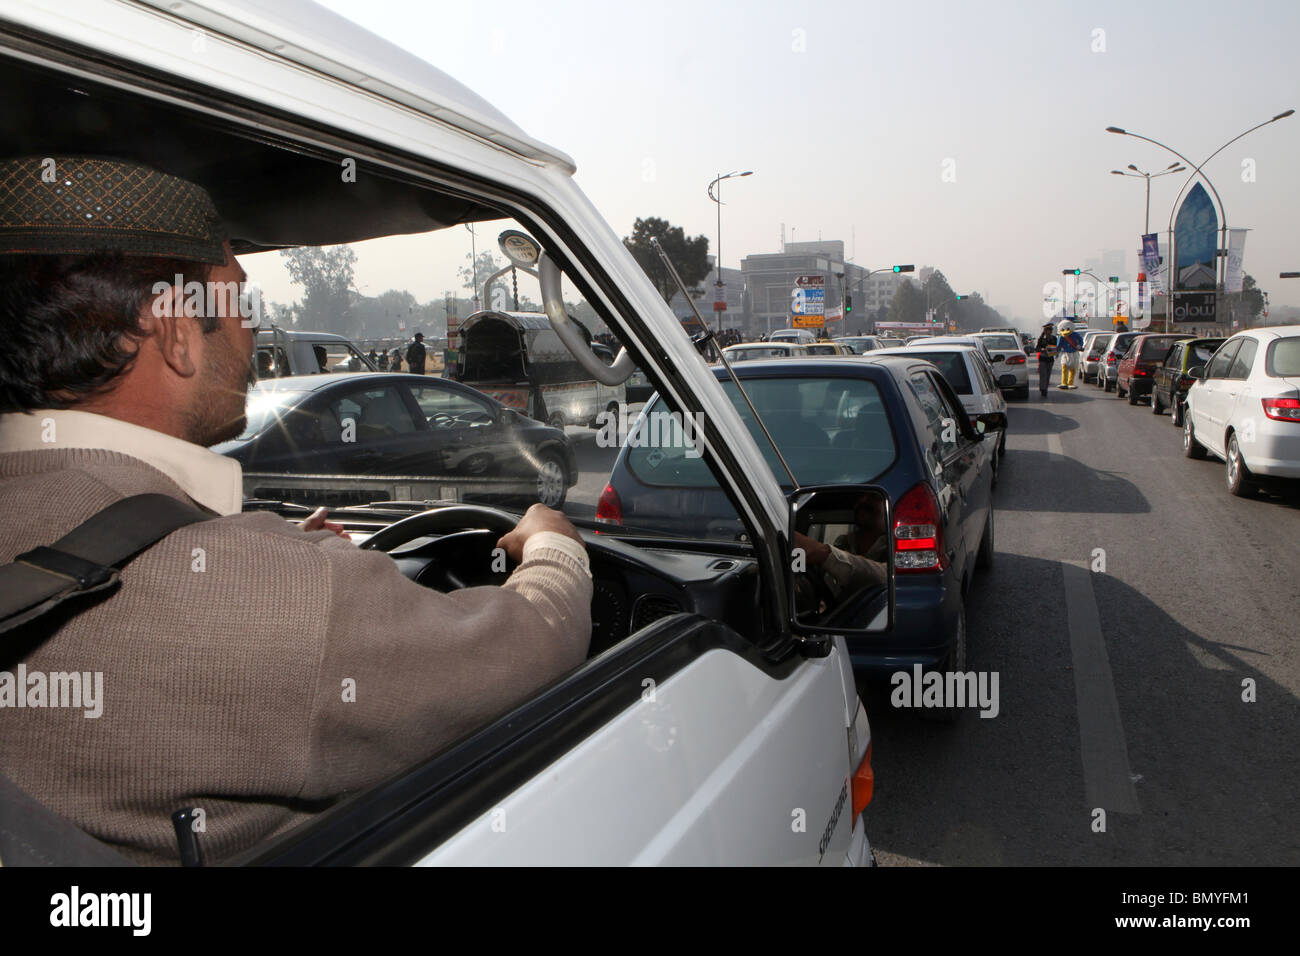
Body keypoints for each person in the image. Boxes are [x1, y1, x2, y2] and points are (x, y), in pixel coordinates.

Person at [0, 156, 592, 865]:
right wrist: (554, 545)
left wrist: (268, 547)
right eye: (242, 303)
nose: (254, 333)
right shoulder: (271, 596)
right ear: (175, 334)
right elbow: (537, 646)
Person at [1057, 319, 1083, 389]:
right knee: (1064, 368)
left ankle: (1070, 383)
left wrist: (1079, 345)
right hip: (1065, 354)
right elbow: (1058, 345)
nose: (1066, 331)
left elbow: (1081, 341)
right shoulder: (1061, 337)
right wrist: (1056, 352)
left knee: (1073, 369)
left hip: (1074, 353)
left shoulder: (1075, 335)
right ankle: (1064, 383)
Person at [1035, 321, 1057, 398]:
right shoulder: (1041, 339)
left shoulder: (1054, 338)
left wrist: (1052, 349)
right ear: (1045, 331)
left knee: (1048, 375)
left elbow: (1055, 348)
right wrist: (1042, 349)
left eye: (1050, 330)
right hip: (1043, 358)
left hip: (1050, 359)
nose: (1049, 332)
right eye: (1048, 330)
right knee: (1043, 375)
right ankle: (1043, 389)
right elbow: (1037, 348)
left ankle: (1045, 388)